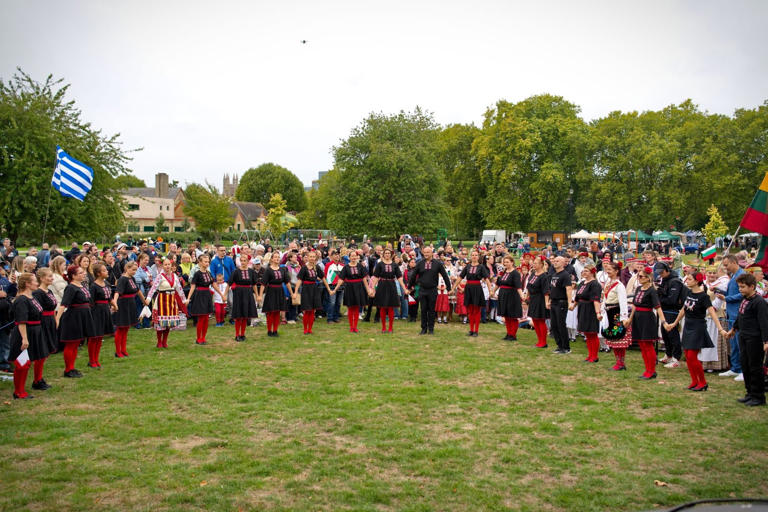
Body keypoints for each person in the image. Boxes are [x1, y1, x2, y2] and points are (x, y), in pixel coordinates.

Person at [663, 272, 727, 391]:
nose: (687, 281)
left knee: (692, 356)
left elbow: (712, 313)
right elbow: (683, 310)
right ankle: (694, 381)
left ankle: (702, 382)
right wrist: (675, 323)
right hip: (688, 325)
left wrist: (721, 329)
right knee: (687, 355)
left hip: (698, 327)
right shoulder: (689, 293)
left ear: (697, 281)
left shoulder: (703, 297)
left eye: (690, 279)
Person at [725, 272, 768, 406]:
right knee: (746, 365)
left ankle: (758, 396)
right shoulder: (745, 300)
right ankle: (750, 393)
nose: (740, 290)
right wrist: (733, 329)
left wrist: (766, 341)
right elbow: (740, 316)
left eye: (743, 287)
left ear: (752, 287)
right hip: (743, 336)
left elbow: (764, 322)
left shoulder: (759, 302)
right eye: (739, 287)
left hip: (754, 338)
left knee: (755, 367)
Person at [8, 273, 47, 399]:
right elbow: (21, 321)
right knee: (22, 363)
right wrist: (24, 338)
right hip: (25, 333)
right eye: (35, 281)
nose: (37, 283)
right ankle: (18, 391)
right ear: (27, 284)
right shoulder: (21, 300)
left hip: (35, 331)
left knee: (27, 363)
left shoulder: (32, 297)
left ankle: (22, 390)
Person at [623, 266, 664, 379]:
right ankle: (647, 369)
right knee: (642, 345)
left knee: (648, 345)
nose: (639, 278)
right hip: (637, 317)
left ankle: (652, 370)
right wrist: (630, 319)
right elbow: (635, 305)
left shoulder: (652, 290)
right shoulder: (638, 289)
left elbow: (658, 306)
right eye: (638, 276)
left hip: (647, 318)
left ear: (648, 278)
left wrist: (664, 321)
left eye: (641, 276)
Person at [56, 265, 96, 378]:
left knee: (76, 343)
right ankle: (68, 369)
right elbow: (64, 303)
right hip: (74, 318)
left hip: (83, 316)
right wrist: (57, 318)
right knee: (71, 344)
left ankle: (72, 367)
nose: (83, 274)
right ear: (73, 276)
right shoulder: (71, 287)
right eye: (80, 273)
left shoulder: (82, 286)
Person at [407, 246, 452, 335]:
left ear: (432, 253)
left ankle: (431, 328)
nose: (426, 254)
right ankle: (423, 328)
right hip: (422, 290)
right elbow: (413, 276)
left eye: (428, 252)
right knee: (423, 310)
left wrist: (449, 288)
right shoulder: (419, 263)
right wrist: (409, 287)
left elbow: (445, 275)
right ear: (423, 253)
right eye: (425, 252)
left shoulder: (437, 264)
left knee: (431, 310)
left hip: (432, 290)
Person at [144, 258, 187, 349]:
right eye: (165, 265)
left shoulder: (175, 276)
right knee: (160, 324)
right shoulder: (160, 276)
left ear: (171, 266)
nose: (167, 266)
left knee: (168, 323)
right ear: (162, 266)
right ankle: (159, 341)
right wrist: (148, 298)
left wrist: (184, 300)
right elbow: (154, 288)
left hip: (171, 300)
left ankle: (165, 341)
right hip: (162, 300)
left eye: (169, 264)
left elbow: (179, 289)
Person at [717, 255, 745, 382]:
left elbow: (742, 293)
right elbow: (732, 292)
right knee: (733, 344)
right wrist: (721, 292)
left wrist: (726, 298)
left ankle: (743, 370)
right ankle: (735, 367)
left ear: (734, 262)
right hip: (731, 314)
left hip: (737, 314)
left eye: (727, 264)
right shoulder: (734, 276)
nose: (725, 267)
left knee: (740, 344)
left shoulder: (741, 275)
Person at [370, 248, 409, 334]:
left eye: (388, 253)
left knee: (391, 307)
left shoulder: (395, 265)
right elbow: (376, 277)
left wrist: (404, 288)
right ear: (383, 255)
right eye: (386, 253)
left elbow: (399, 277)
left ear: (391, 255)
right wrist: (372, 288)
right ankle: (383, 327)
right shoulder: (380, 264)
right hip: (382, 285)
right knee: (383, 307)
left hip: (391, 285)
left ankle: (390, 328)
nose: (387, 254)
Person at [112, 262, 146, 357]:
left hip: (131, 304)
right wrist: (114, 303)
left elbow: (137, 291)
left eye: (136, 270)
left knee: (126, 329)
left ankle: (123, 349)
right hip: (123, 305)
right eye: (133, 270)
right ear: (127, 268)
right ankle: (118, 351)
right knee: (121, 328)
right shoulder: (122, 279)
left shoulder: (132, 278)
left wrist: (144, 300)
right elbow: (117, 292)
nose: (134, 272)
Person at [31, 268, 58, 390]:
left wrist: (55, 319)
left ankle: (39, 378)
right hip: (43, 322)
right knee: (41, 352)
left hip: (50, 320)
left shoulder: (49, 291)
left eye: (52, 276)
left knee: (45, 353)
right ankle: (37, 380)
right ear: (41, 278)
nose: (51, 278)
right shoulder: (38, 293)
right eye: (49, 276)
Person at [294, 251, 333, 335]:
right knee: (306, 310)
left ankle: (310, 329)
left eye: (313, 257)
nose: (312, 258)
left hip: (315, 290)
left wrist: (329, 289)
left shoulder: (317, 267)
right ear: (307, 257)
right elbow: (299, 280)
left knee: (312, 311)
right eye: (310, 256)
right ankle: (305, 329)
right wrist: (295, 292)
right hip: (306, 290)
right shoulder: (304, 268)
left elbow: (323, 278)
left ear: (315, 258)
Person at [601, 261, 630, 370]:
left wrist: (623, 317)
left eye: (610, 270)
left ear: (616, 271)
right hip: (608, 313)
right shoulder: (609, 284)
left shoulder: (619, 285)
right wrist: (601, 311)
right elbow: (604, 299)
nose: (607, 272)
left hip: (616, 313)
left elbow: (623, 302)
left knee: (619, 339)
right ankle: (618, 362)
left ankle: (621, 363)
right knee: (613, 339)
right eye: (607, 270)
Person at [334, 251, 371, 333]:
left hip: (359, 288)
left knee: (357, 308)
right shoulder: (346, 267)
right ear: (349, 257)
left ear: (357, 257)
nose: (354, 257)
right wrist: (335, 289)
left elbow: (364, 279)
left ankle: (355, 327)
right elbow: (341, 279)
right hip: (349, 288)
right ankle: (351, 327)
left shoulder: (360, 266)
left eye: (355, 256)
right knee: (350, 308)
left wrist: (368, 289)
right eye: (352, 256)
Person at [571, 264, 602, 362]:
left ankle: (594, 356)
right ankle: (590, 354)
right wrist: (574, 305)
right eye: (583, 271)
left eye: (586, 271)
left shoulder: (595, 284)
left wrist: (597, 312)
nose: (584, 273)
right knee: (587, 333)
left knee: (592, 333)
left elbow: (596, 300)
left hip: (590, 309)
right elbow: (577, 297)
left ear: (592, 272)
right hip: (582, 308)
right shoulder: (582, 283)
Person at [459, 250, 493, 337]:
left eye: (476, 255)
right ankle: (471, 330)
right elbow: (460, 277)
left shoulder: (481, 267)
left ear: (478, 257)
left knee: (477, 310)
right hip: (468, 288)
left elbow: (487, 279)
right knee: (470, 310)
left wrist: (490, 290)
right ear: (471, 256)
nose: (474, 256)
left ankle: (476, 331)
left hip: (477, 289)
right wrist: (453, 287)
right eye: (472, 255)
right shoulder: (467, 266)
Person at [87, 263, 115, 368]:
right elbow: (91, 301)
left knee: (100, 337)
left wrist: (114, 305)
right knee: (94, 336)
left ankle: (96, 359)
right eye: (104, 270)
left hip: (105, 311)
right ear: (98, 273)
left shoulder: (106, 283)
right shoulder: (93, 286)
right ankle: (91, 360)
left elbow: (109, 297)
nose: (107, 271)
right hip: (96, 312)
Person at [259, 251, 292, 337]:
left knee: (277, 312)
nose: (277, 258)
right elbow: (263, 284)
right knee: (270, 312)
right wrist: (260, 295)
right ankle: (269, 330)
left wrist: (292, 293)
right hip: (271, 291)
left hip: (280, 291)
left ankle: (275, 330)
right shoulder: (268, 270)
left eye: (278, 257)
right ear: (272, 259)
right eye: (275, 257)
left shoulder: (282, 269)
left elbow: (287, 282)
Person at [187, 254, 216, 344]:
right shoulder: (197, 274)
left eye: (208, 262)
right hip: (199, 295)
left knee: (206, 318)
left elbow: (213, 284)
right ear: (200, 262)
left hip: (207, 295)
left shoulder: (208, 273)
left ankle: (204, 337)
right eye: (205, 262)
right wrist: (188, 298)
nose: (207, 263)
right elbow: (192, 286)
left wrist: (221, 293)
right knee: (201, 318)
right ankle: (198, 338)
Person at [493, 255, 524, 341]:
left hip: (512, 296)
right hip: (503, 295)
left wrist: (522, 296)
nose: (505, 264)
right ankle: (508, 333)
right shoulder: (503, 272)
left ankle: (513, 335)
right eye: (504, 262)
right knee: (506, 316)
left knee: (512, 316)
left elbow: (518, 286)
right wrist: (493, 291)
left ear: (512, 262)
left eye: (507, 262)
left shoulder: (515, 273)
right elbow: (498, 283)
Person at [549, 255, 574, 354]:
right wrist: (549, 300)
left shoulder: (565, 275)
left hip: (561, 302)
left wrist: (569, 302)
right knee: (554, 325)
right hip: (554, 302)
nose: (555, 262)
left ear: (563, 263)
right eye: (554, 261)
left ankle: (566, 347)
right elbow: (552, 289)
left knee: (561, 324)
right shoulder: (554, 274)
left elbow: (568, 289)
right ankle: (559, 345)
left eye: (558, 261)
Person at [525, 256, 550, 348]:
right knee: (535, 320)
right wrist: (526, 296)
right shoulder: (533, 274)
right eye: (533, 263)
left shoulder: (544, 276)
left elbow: (546, 291)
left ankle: (543, 342)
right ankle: (539, 340)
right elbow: (528, 286)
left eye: (535, 263)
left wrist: (546, 302)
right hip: (533, 299)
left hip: (540, 299)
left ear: (541, 264)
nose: (533, 264)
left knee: (540, 320)